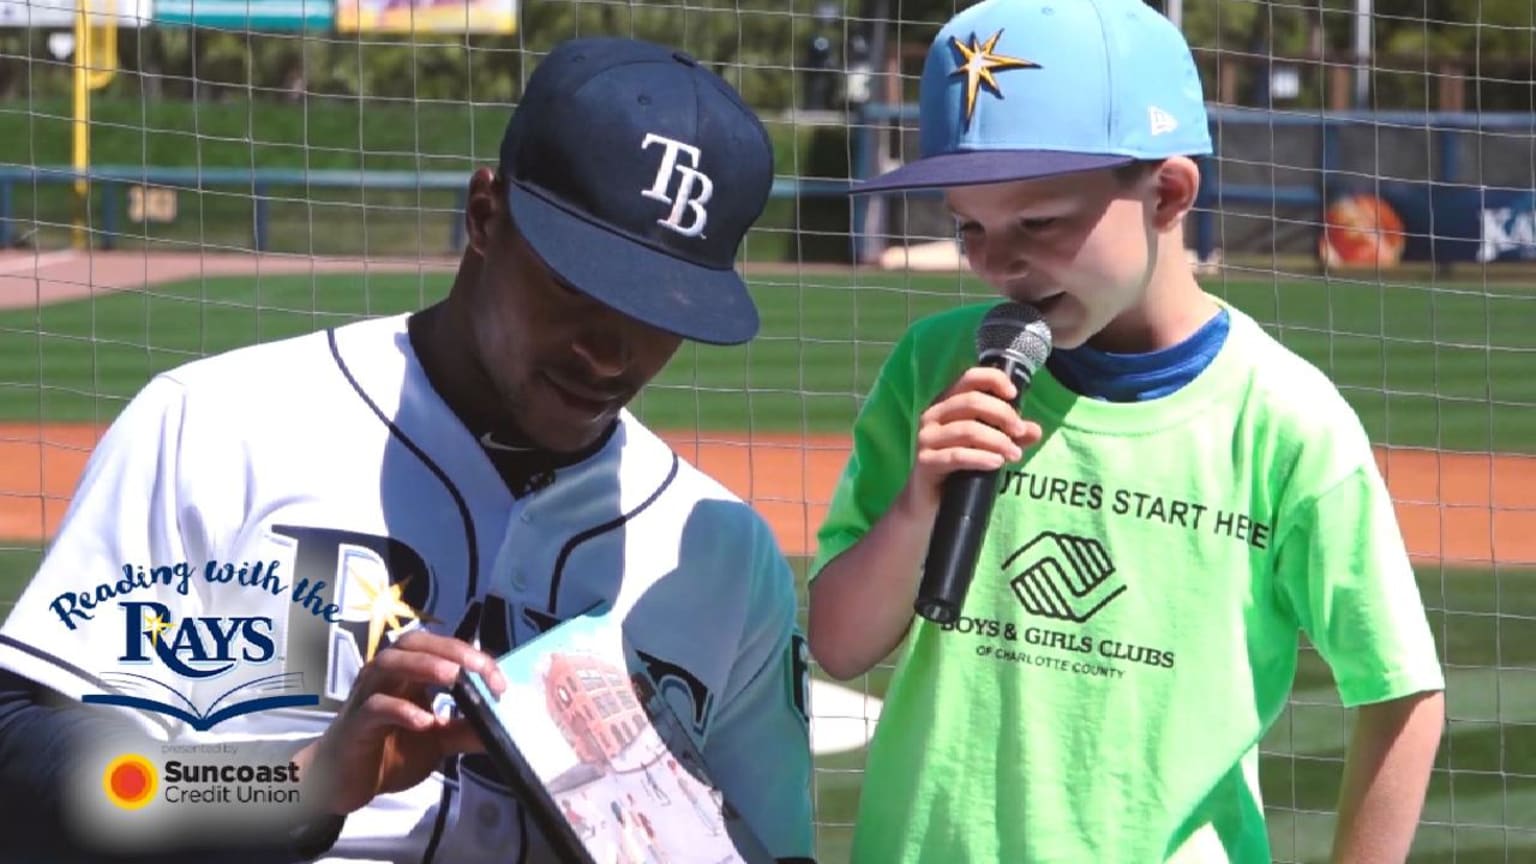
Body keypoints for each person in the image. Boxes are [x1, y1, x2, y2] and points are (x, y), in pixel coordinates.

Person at [0, 36, 815, 863]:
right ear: (485, 216)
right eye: (576, 284)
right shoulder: (219, 427)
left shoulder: (724, 560)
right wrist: (294, 781)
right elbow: (24, 759)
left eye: (663, 307)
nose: (610, 354)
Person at [807, 1, 1446, 862]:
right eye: (969, 226)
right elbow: (840, 644)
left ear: (1169, 193)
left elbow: (1401, 691)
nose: (997, 261)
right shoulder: (936, 367)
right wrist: (918, 508)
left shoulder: (1285, 420)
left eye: (1039, 222)